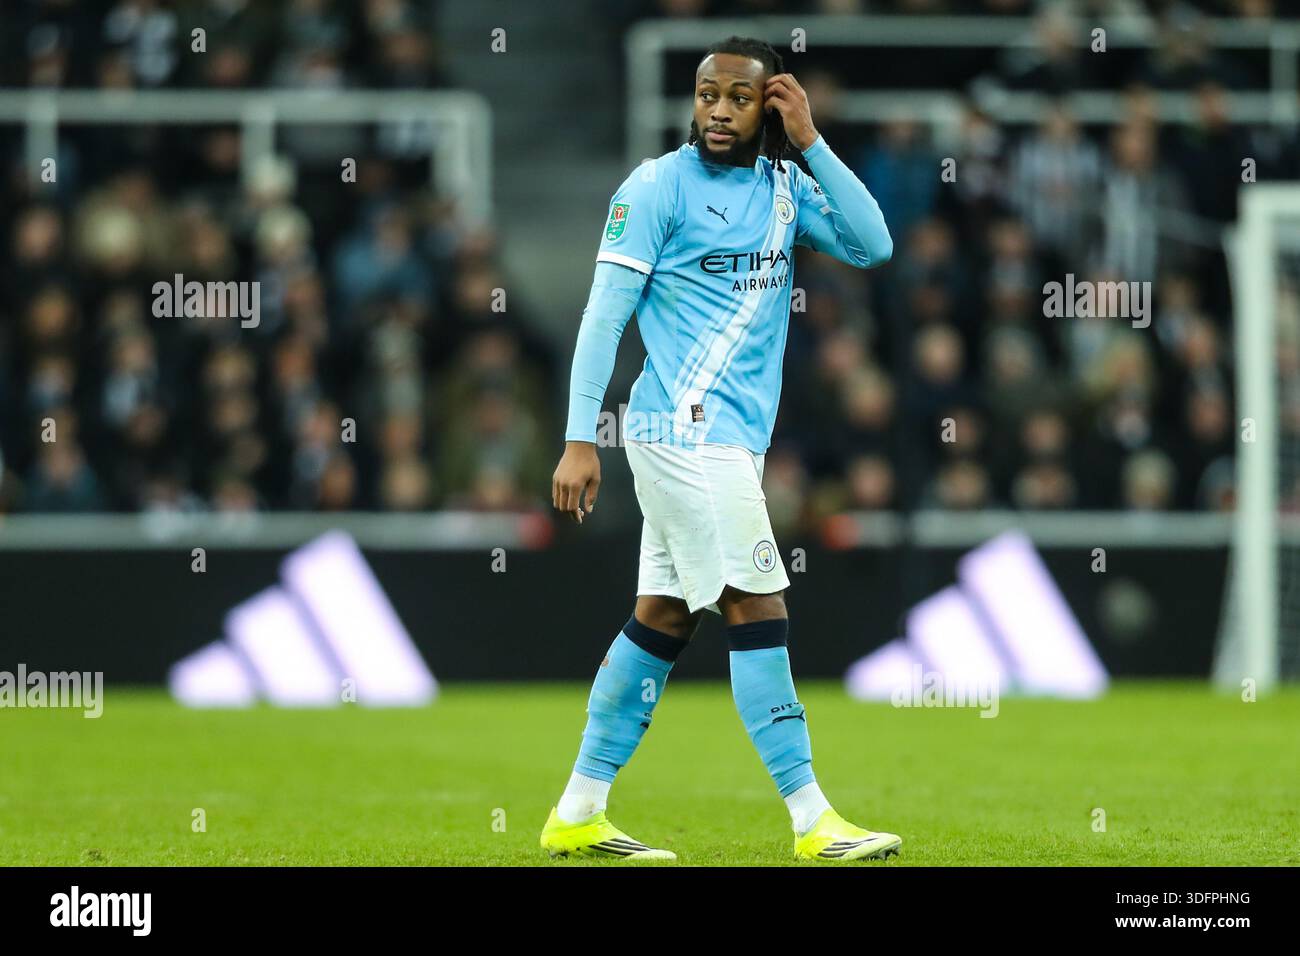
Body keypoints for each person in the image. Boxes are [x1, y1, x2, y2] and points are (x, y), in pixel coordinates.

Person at [543, 36, 898, 862]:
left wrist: (811, 140)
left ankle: (579, 809)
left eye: (739, 98)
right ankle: (814, 820)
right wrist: (576, 439)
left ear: (769, 103)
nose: (718, 112)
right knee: (756, 602)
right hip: (679, 433)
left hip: (729, 441)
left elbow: (874, 243)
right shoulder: (657, 187)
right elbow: (603, 317)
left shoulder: (783, 191)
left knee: (662, 619)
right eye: (708, 95)